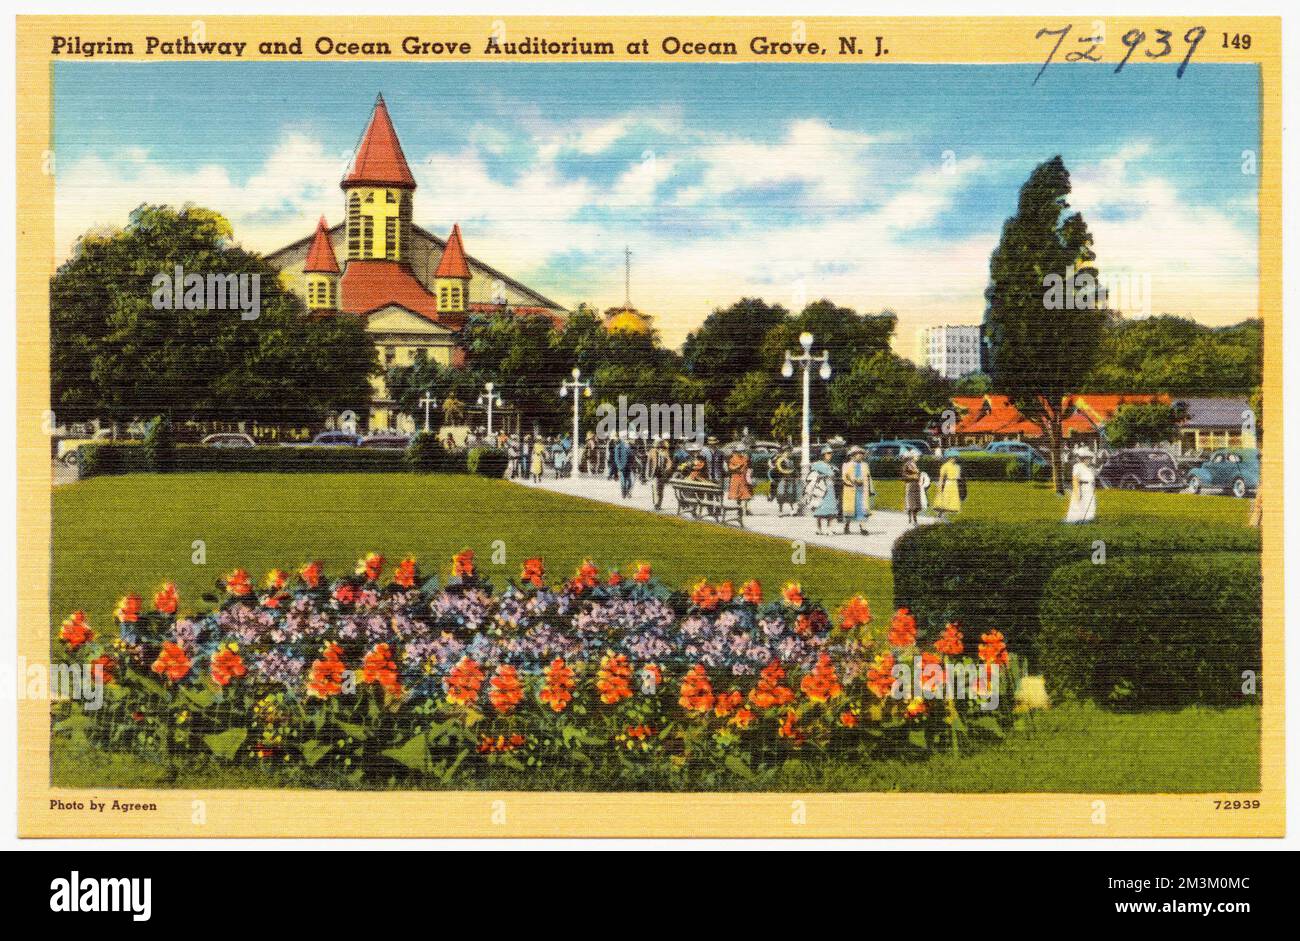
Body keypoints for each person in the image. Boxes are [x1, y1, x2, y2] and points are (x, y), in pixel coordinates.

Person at [840, 445, 873, 535]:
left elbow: (868, 477)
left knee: (861, 508)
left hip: (862, 491)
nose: (860, 456)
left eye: (861, 454)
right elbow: (845, 476)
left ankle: (863, 527)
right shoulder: (847, 465)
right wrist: (854, 480)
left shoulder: (864, 465)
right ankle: (846, 525)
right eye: (858, 454)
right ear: (853, 455)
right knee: (851, 509)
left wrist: (867, 485)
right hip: (851, 490)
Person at [809, 446, 840, 534]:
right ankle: (819, 528)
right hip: (821, 488)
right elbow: (813, 475)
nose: (830, 455)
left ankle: (829, 528)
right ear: (823, 455)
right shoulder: (818, 464)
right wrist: (824, 476)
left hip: (830, 488)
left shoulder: (832, 465)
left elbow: (835, 474)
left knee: (831, 508)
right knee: (820, 507)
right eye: (828, 453)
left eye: (831, 453)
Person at [1065, 446, 1097, 523]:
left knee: (1090, 503)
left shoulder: (1090, 468)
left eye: (1089, 458)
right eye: (1086, 458)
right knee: (1079, 504)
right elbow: (1075, 480)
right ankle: (1077, 519)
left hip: (1089, 488)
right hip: (1081, 487)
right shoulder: (1077, 466)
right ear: (1082, 458)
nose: (1088, 459)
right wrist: (1077, 492)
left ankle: (1088, 519)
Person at [770, 444, 800, 516]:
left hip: (790, 479)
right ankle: (780, 510)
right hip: (781, 479)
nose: (788, 453)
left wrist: (796, 475)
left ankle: (792, 509)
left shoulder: (790, 461)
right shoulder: (780, 460)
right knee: (781, 494)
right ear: (783, 452)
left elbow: (794, 469)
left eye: (789, 452)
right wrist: (790, 471)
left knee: (790, 494)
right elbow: (780, 469)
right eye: (787, 452)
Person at [646, 437, 674, 510]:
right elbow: (648, 463)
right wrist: (647, 474)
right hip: (655, 473)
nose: (659, 445)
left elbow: (669, 462)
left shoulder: (665, 451)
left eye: (661, 443)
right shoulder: (652, 451)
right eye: (658, 443)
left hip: (662, 473)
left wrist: (667, 469)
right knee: (655, 488)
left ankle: (659, 504)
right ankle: (656, 503)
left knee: (661, 489)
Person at [933, 453, 964, 520]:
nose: (954, 459)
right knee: (945, 497)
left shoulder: (957, 466)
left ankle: (951, 510)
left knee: (953, 497)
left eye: (955, 458)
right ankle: (941, 513)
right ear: (949, 458)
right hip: (948, 482)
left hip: (954, 483)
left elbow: (958, 476)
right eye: (953, 458)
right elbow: (941, 476)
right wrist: (940, 484)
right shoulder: (945, 466)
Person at [727, 443, 754, 512]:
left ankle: (745, 509)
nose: (741, 452)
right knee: (737, 495)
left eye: (742, 451)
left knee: (746, 494)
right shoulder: (733, 458)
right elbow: (730, 467)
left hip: (744, 478)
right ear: (737, 451)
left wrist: (749, 473)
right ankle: (740, 509)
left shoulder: (746, 458)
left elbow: (750, 467)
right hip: (736, 478)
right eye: (739, 451)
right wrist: (737, 466)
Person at [901, 448, 923, 526]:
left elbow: (917, 474)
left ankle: (914, 519)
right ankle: (912, 520)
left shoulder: (914, 464)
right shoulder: (907, 465)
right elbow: (903, 476)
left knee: (916, 503)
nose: (918, 458)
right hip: (910, 484)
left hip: (916, 485)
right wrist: (913, 477)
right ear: (913, 456)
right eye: (916, 456)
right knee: (911, 503)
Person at [613, 433, 634, 498]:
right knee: (623, 480)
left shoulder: (628, 446)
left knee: (629, 481)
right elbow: (617, 458)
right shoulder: (618, 447)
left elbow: (632, 456)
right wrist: (620, 466)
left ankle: (627, 491)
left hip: (628, 466)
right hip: (622, 466)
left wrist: (632, 464)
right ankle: (624, 493)